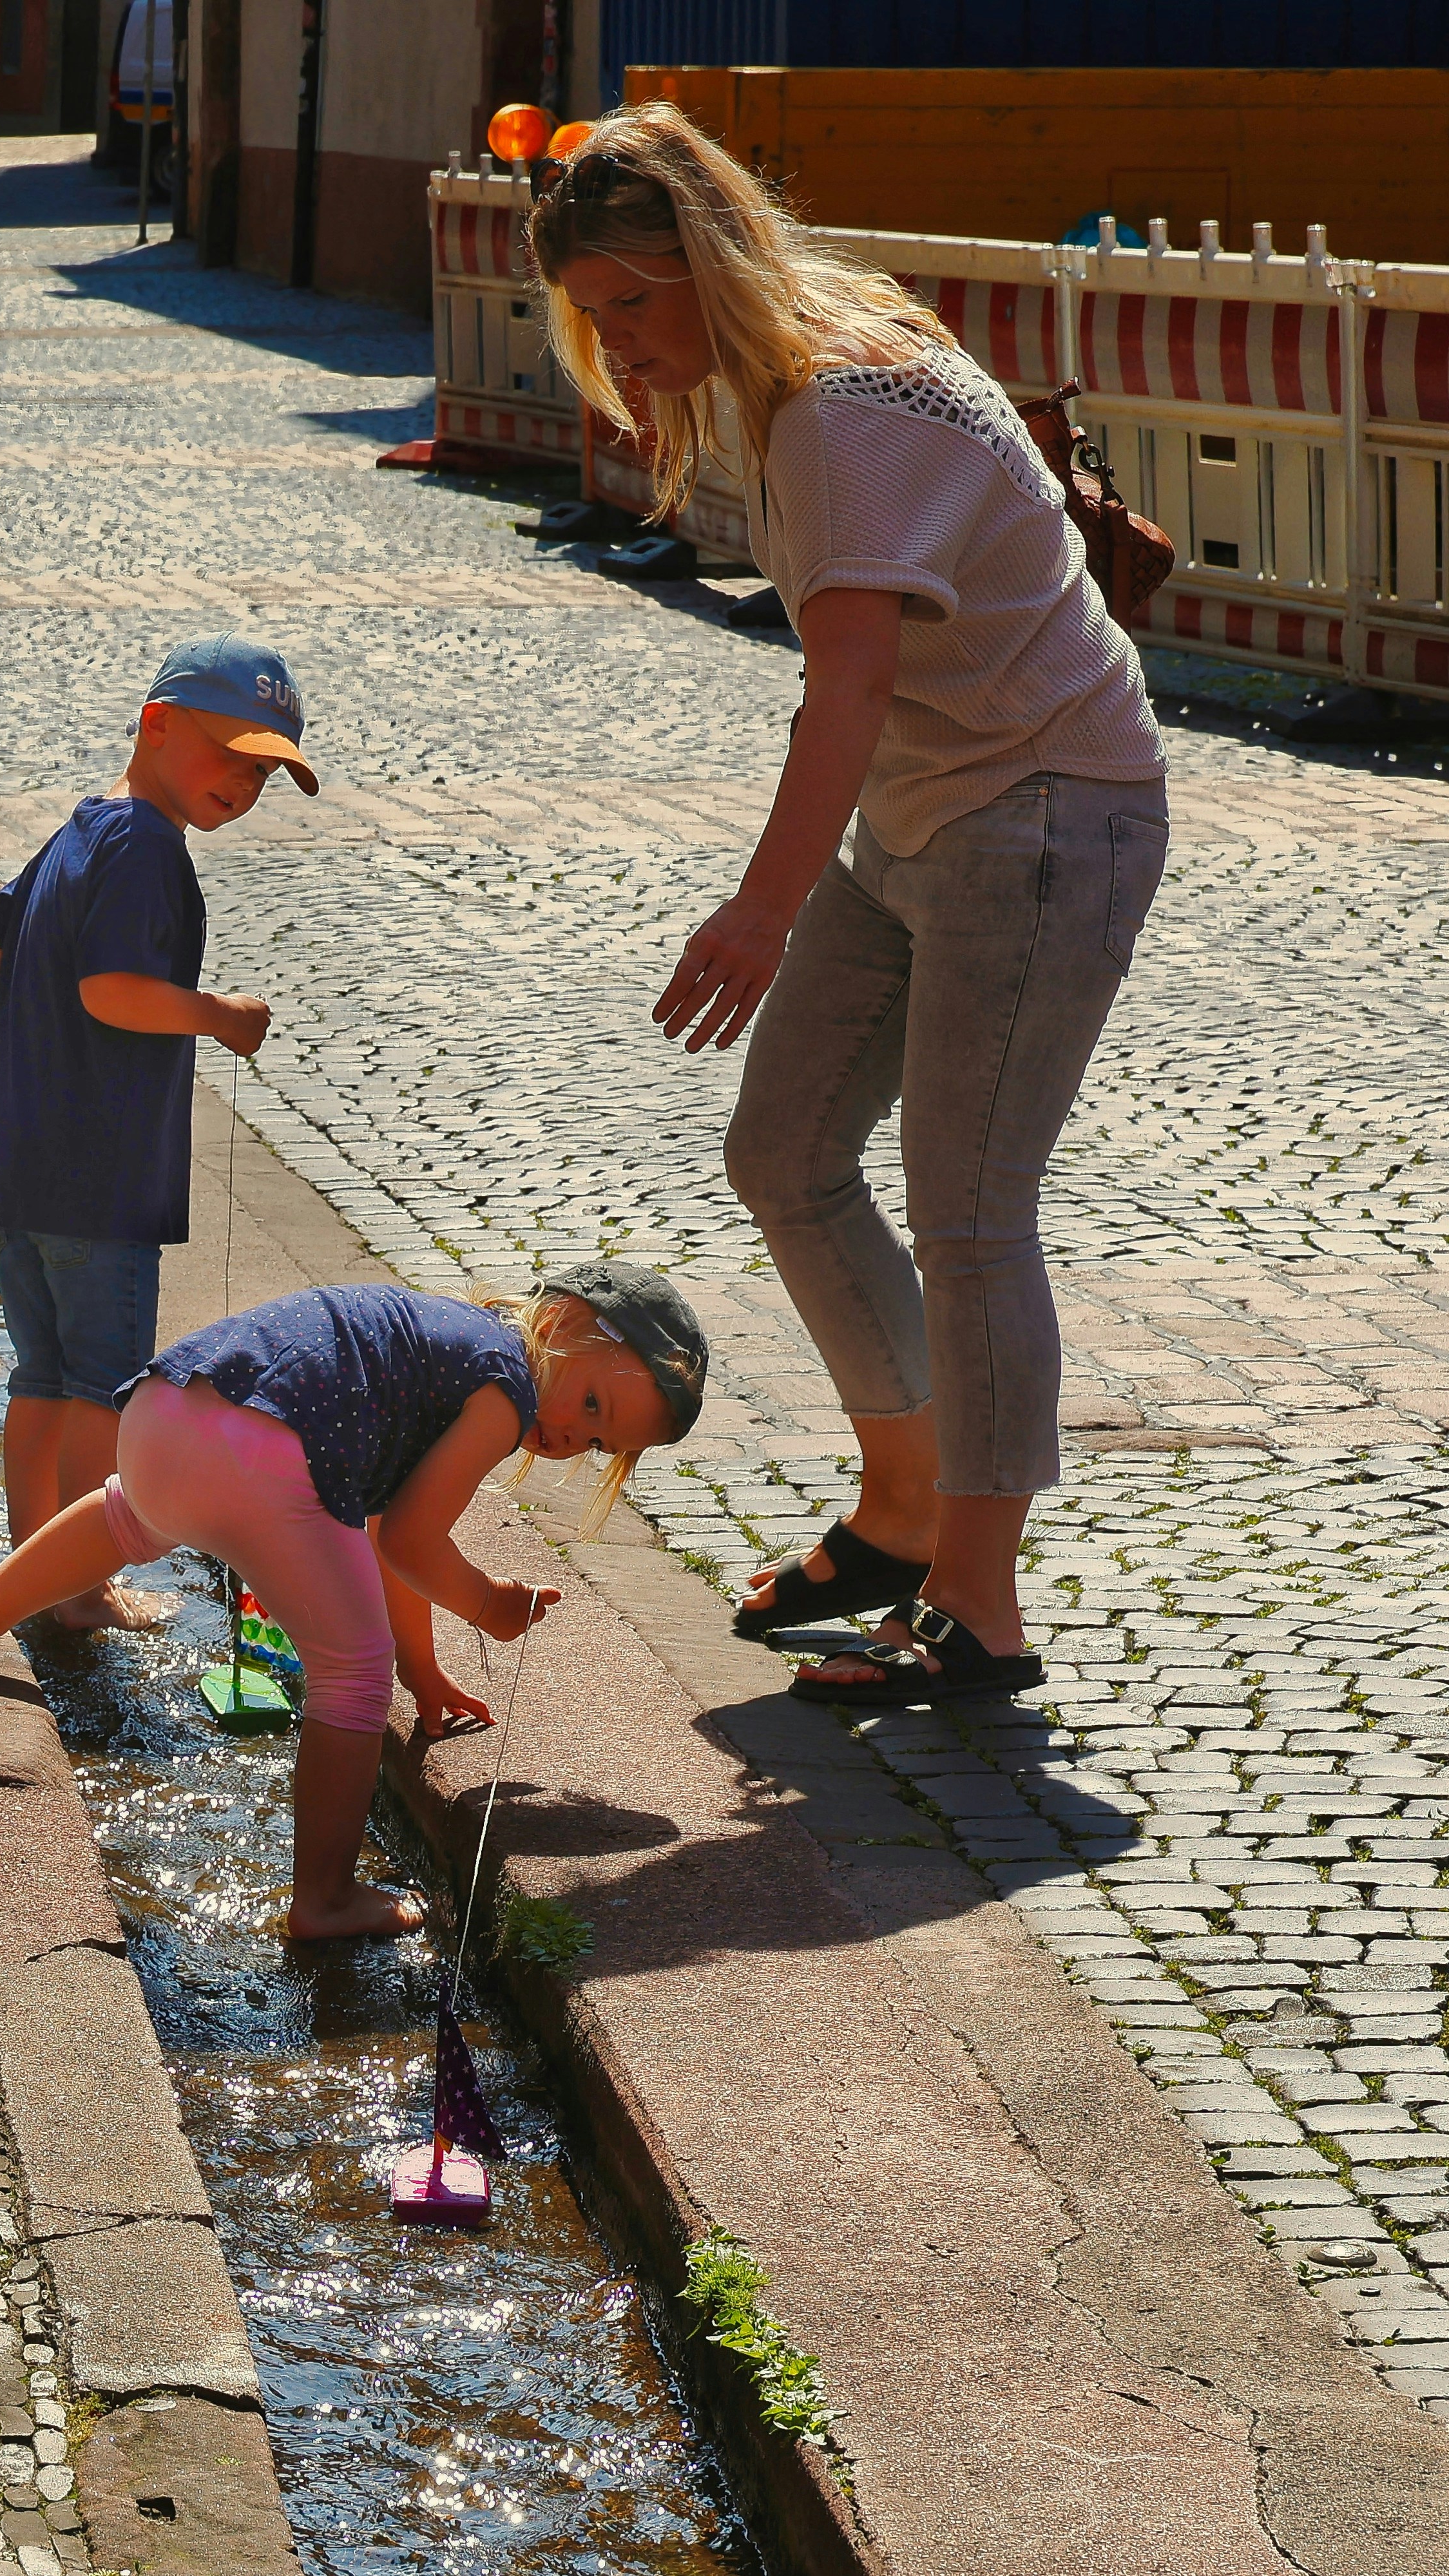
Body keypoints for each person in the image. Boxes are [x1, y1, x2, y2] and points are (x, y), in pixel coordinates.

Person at [530, 102, 1170, 1708]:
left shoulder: (834, 408)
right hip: (926, 809)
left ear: (708, 261)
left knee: (970, 1212)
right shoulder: (820, 350)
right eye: (589, 319)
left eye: (630, 303)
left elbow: (851, 680)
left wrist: (756, 907)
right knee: (784, 1153)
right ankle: (899, 1510)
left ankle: (979, 1609)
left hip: (1040, 815)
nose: (618, 348)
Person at [0, 1268, 709, 1940]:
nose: (576, 1437)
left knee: (128, 1516)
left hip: (168, 1411)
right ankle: (326, 1899)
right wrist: (489, 1604)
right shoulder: (504, 1390)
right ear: (566, 1321)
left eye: (603, 1444)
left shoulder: (451, 1338)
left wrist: (424, 1673)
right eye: (595, 1407)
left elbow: (380, 1535)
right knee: (353, 1674)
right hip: (264, 1456)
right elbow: (409, 1542)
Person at [0, 637, 308, 1632]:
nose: (244, 783)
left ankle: (31, 1567)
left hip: (18, 1159)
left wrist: (55, 1018)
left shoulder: (84, 824)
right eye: (231, 754)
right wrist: (220, 1013)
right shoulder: (149, 845)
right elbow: (111, 991)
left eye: (264, 772)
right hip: (98, 1175)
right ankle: (76, 1583)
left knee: (40, 1375)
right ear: (157, 723)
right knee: (100, 1392)